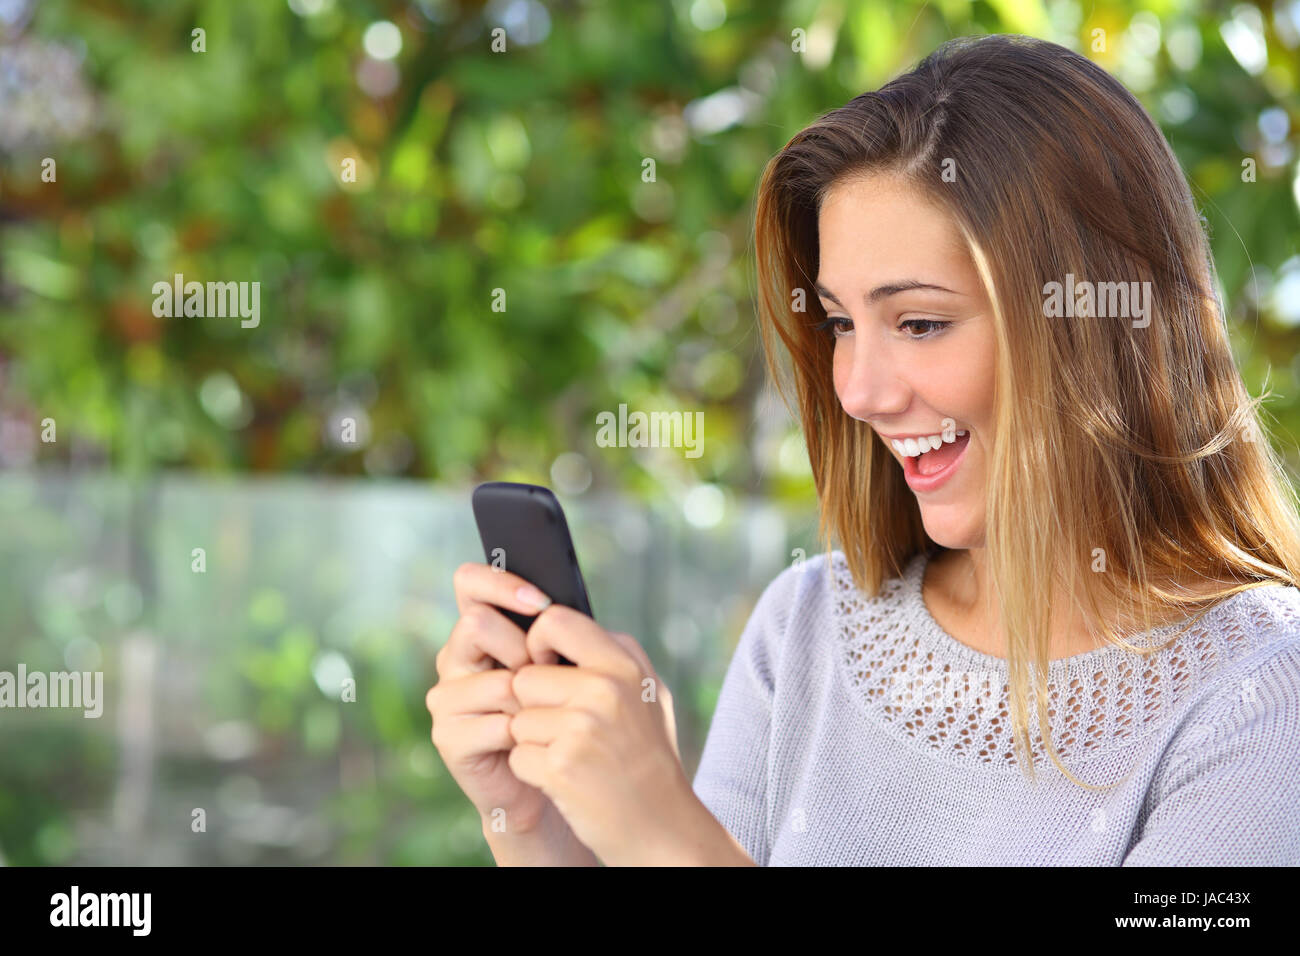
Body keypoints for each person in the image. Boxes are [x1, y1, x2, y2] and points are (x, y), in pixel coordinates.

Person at [427, 33, 1300, 865]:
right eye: (843, 324)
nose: (858, 392)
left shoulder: (1257, 697)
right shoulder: (805, 629)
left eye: (920, 322)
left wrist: (668, 839)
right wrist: (540, 829)